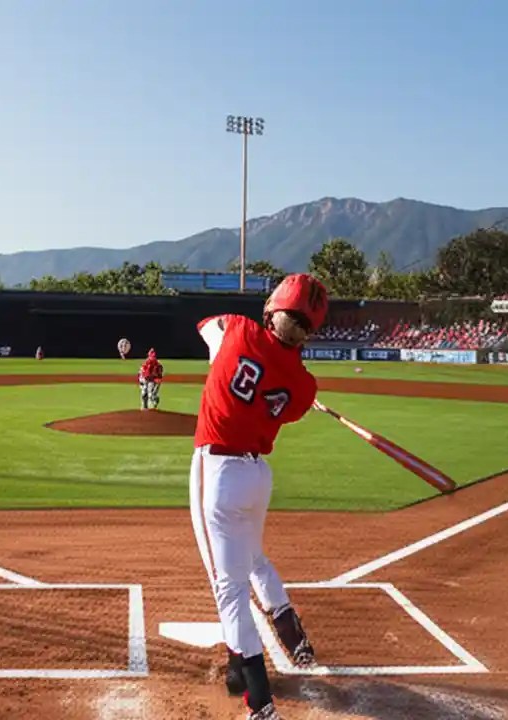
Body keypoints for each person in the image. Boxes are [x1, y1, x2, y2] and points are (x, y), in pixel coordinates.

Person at [189, 273, 327, 720]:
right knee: (251, 561)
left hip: (218, 470)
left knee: (228, 589)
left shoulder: (237, 329)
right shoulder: (305, 389)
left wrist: (228, 359)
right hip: (256, 477)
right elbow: (285, 394)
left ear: (272, 307)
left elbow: (207, 327)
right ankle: (284, 636)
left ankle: (260, 702)